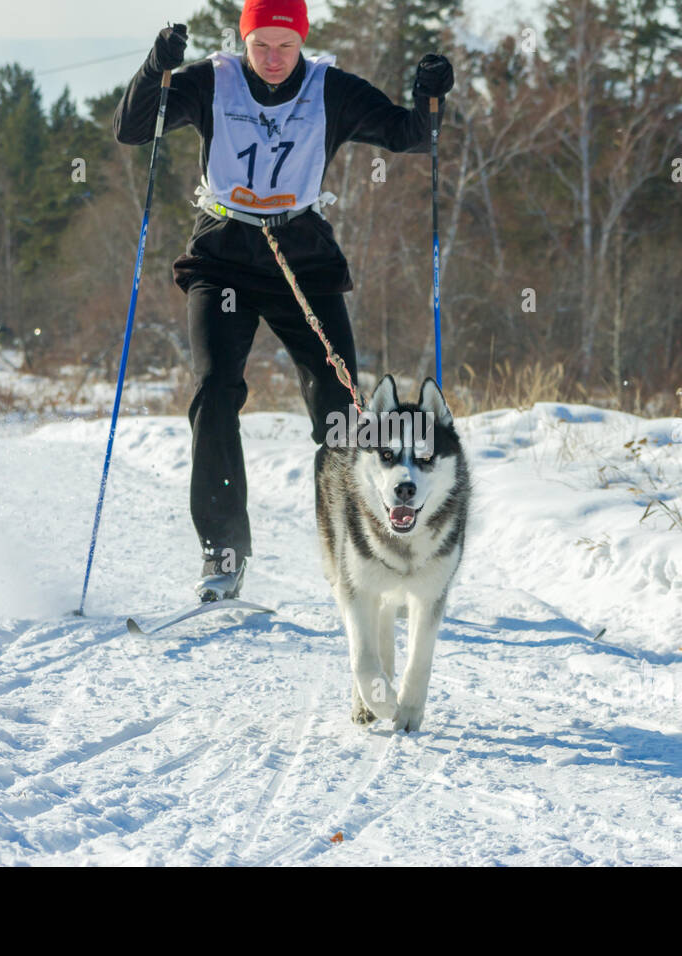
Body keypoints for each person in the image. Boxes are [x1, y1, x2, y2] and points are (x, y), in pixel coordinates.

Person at [113, 0, 453, 601]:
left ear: (302, 42)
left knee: (342, 416)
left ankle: (358, 548)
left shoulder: (331, 90)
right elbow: (134, 128)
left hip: (302, 256)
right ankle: (223, 548)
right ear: (244, 40)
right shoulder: (212, 80)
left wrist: (430, 97)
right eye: (261, 45)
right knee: (215, 391)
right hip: (223, 255)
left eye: (286, 46)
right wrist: (157, 68)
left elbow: (411, 136)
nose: (273, 59)